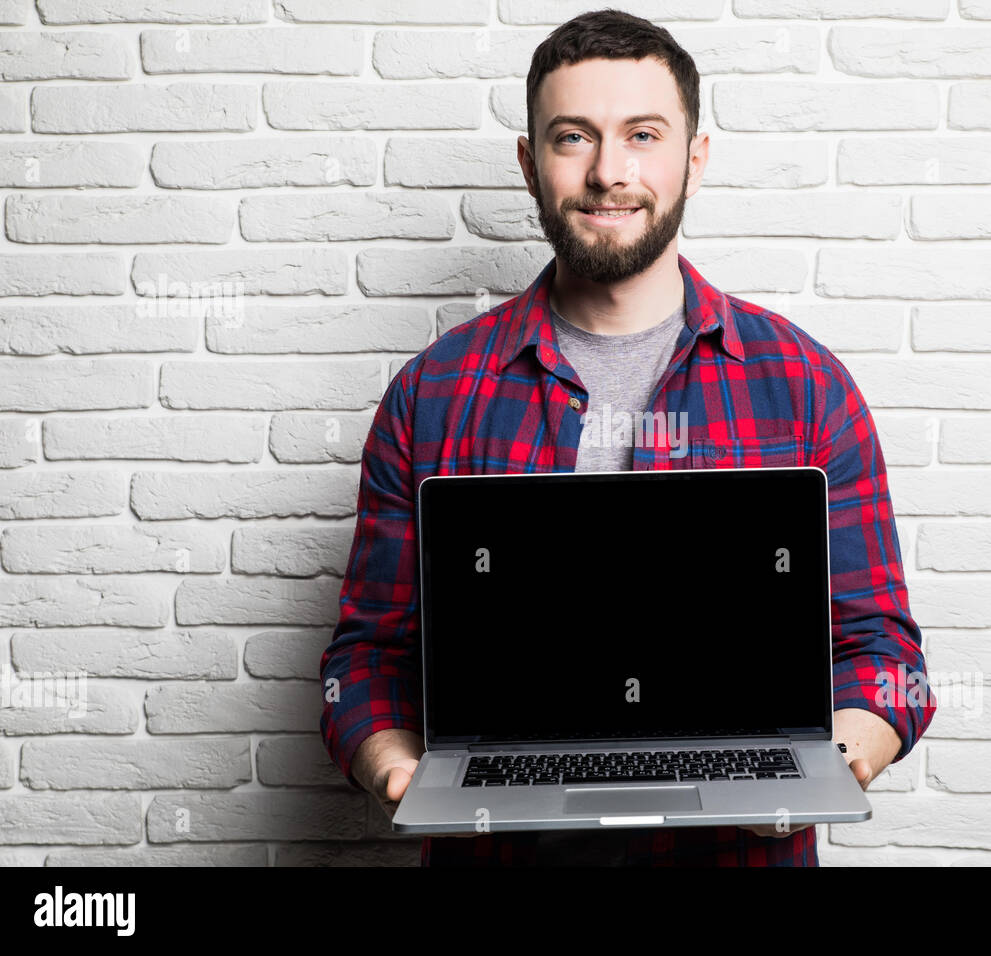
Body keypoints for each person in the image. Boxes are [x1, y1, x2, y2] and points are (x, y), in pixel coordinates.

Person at [320, 8, 936, 867]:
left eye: (642, 134)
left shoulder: (806, 388)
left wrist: (821, 766)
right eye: (574, 137)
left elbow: (882, 651)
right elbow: (369, 657)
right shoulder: (431, 396)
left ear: (695, 156)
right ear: (531, 165)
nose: (611, 172)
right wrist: (399, 770)